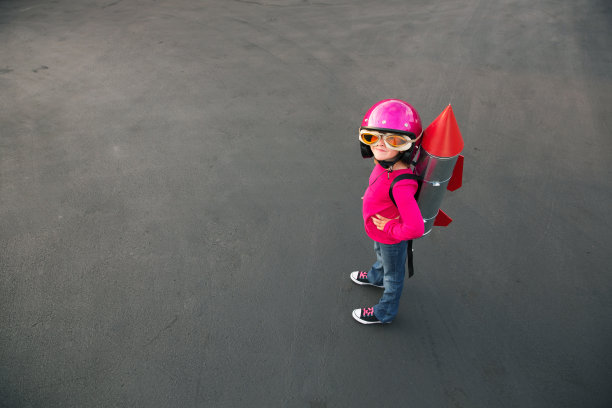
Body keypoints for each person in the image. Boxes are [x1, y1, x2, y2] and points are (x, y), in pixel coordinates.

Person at [351, 99, 425, 325]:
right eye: (372, 137)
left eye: (393, 139)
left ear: (408, 145)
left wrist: (390, 227)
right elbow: (380, 186)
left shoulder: (402, 184)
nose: (380, 145)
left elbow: (416, 227)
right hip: (380, 233)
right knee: (380, 257)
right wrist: (372, 199)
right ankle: (376, 277)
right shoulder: (384, 163)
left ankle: (385, 312)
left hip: (392, 238)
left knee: (393, 276)